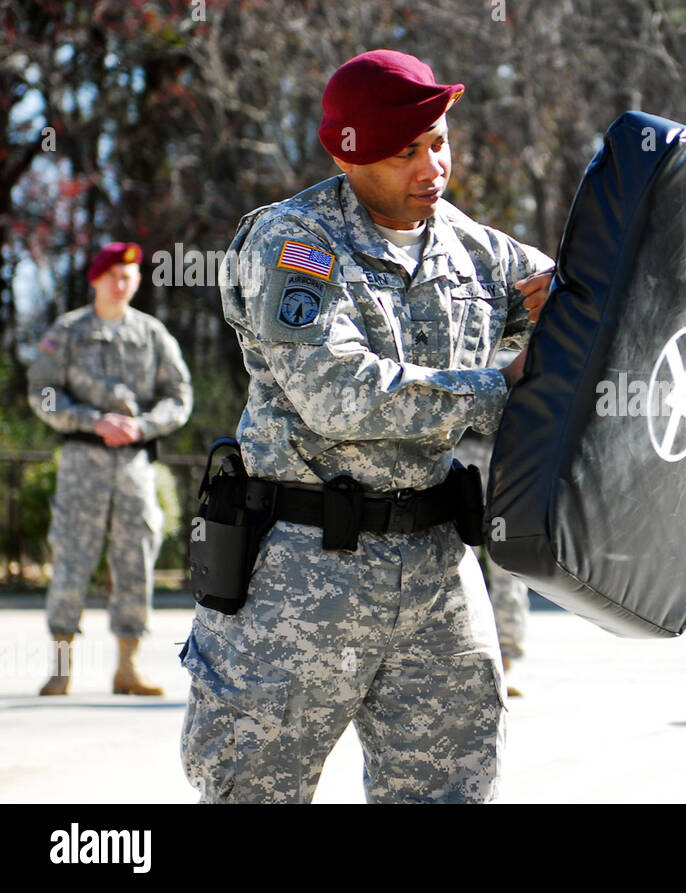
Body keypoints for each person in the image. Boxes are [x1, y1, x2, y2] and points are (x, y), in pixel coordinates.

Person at [179, 49, 554, 803]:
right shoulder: (297, 243)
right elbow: (338, 393)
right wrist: (497, 385)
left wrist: (583, 302)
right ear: (348, 155)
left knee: (451, 790)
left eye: (440, 141)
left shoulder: (473, 247)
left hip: (438, 573)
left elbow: (568, 303)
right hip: (304, 571)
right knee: (254, 792)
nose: (432, 167)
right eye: (405, 151)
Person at [27, 240, 193, 697]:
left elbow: (180, 397)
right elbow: (42, 393)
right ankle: (61, 668)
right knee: (71, 561)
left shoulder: (153, 334)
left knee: (136, 561)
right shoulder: (67, 332)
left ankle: (128, 668)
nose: (123, 283)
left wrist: (142, 426)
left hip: (134, 464)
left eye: (130, 276)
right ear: (96, 279)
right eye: (114, 275)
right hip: (83, 460)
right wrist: (91, 420)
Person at [455, 426, 530, 697]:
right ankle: (480, 659)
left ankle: (504, 661)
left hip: (495, 449)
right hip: (485, 450)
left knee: (501, 565)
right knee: (465, 564)